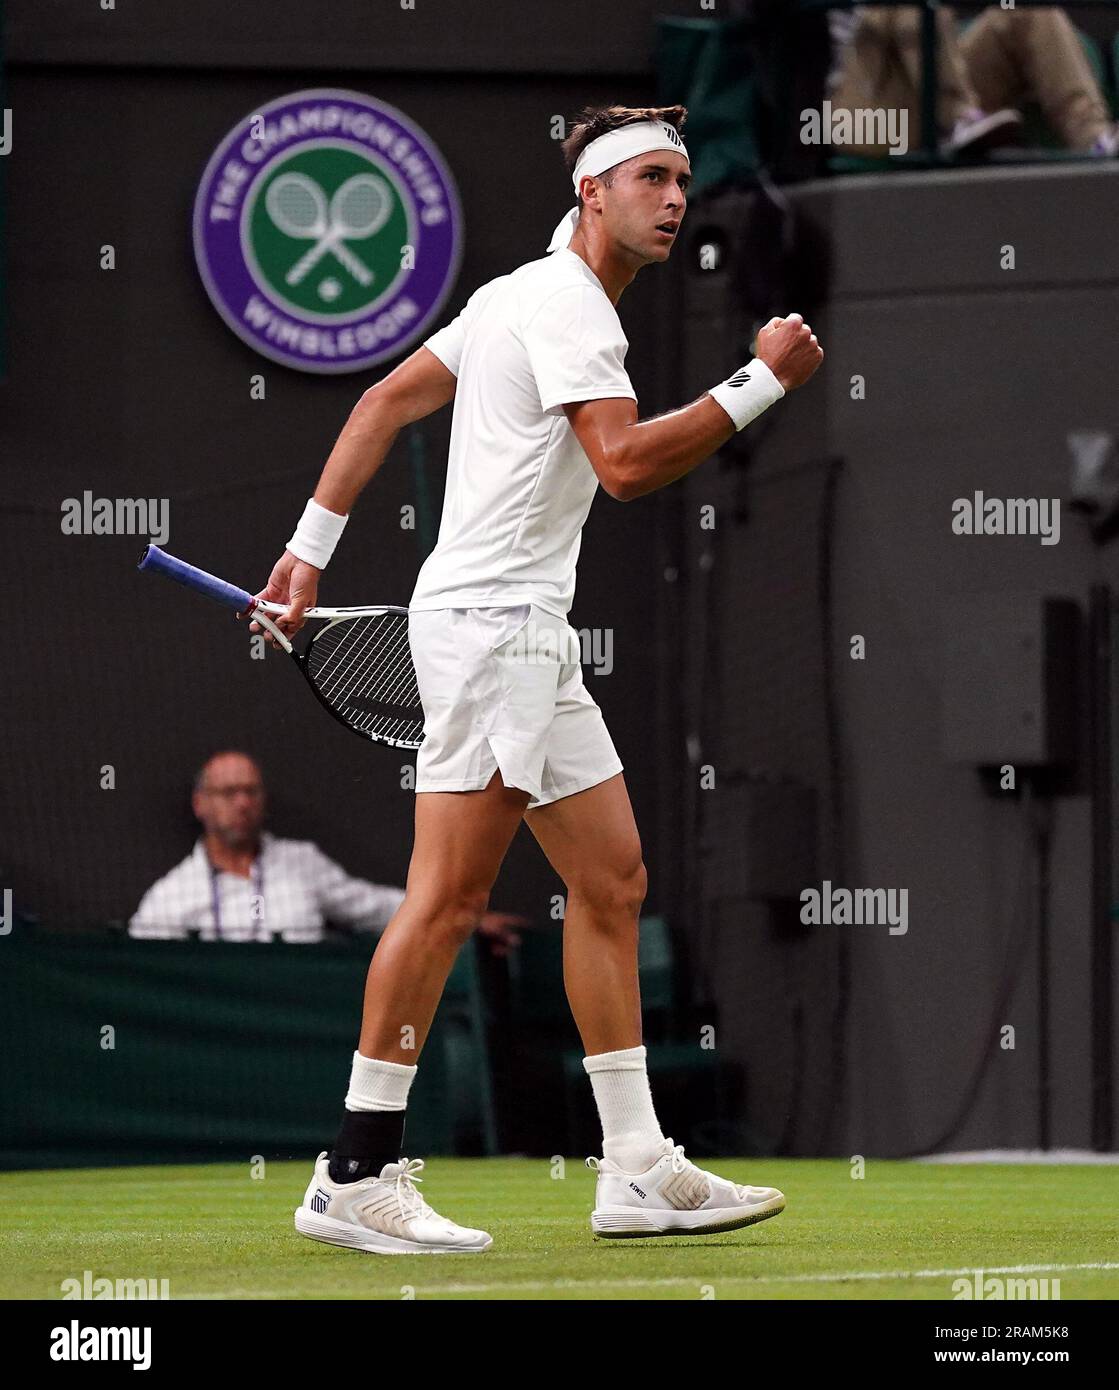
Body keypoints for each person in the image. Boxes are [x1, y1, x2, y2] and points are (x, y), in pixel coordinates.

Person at [256, 103, 823, 1254]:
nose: (674, 197)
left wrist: (307, 554)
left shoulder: (514, 293)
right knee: (448, 898)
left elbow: (378, 402)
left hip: (531, 638)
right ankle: (353, 1171)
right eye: (652, 178)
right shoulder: (565, 305)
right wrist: (758, 384)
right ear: (593, 194)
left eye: (682, 179)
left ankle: (635, 1165)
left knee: (611, 880)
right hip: (490, 635)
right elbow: (619, 466)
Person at [129, 750, 524, 951]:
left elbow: (374, 907)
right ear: (200, 804)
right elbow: (142, 974)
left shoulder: (301, 863)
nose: (243, 803)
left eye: (251, 791)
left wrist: (462, 917)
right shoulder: (170, 897)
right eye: (229, 793)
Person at [829, 5, 1119, 158]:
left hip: (922, 91)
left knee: (1026, 10)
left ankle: (1094, 140)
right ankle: (956, 118)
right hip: (859, 114)